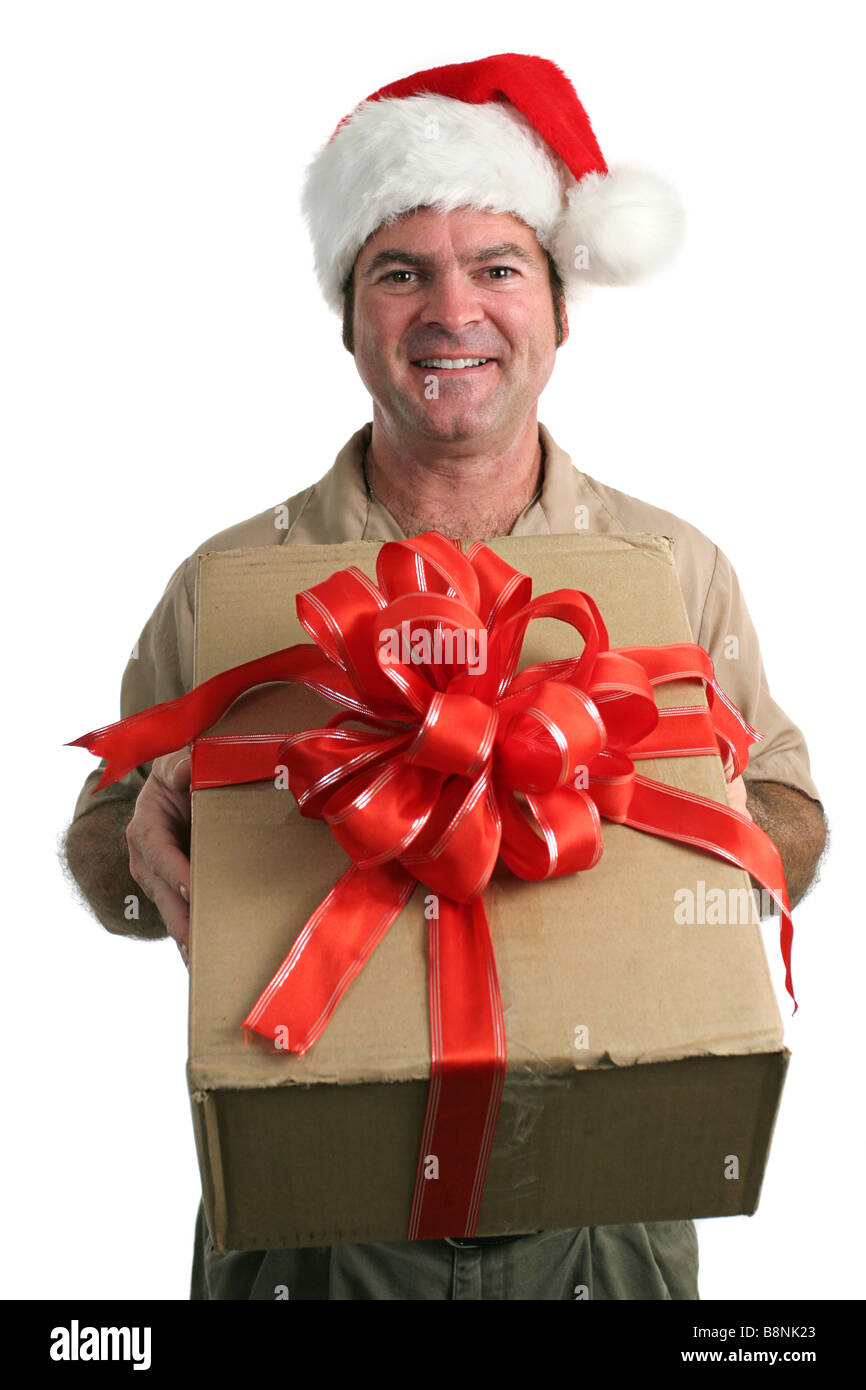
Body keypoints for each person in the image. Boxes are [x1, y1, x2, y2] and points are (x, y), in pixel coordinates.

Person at [63, 53, 827, 1301]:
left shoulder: (666, 570)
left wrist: (694, 830)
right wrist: (140, 834)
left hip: (606, 1217)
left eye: (497, 267)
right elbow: (109, 861)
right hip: (306, 1215)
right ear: (350, 314)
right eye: (400, 270)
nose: (449, 310)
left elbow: (789, 817)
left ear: (560, 310)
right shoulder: (240, 581)